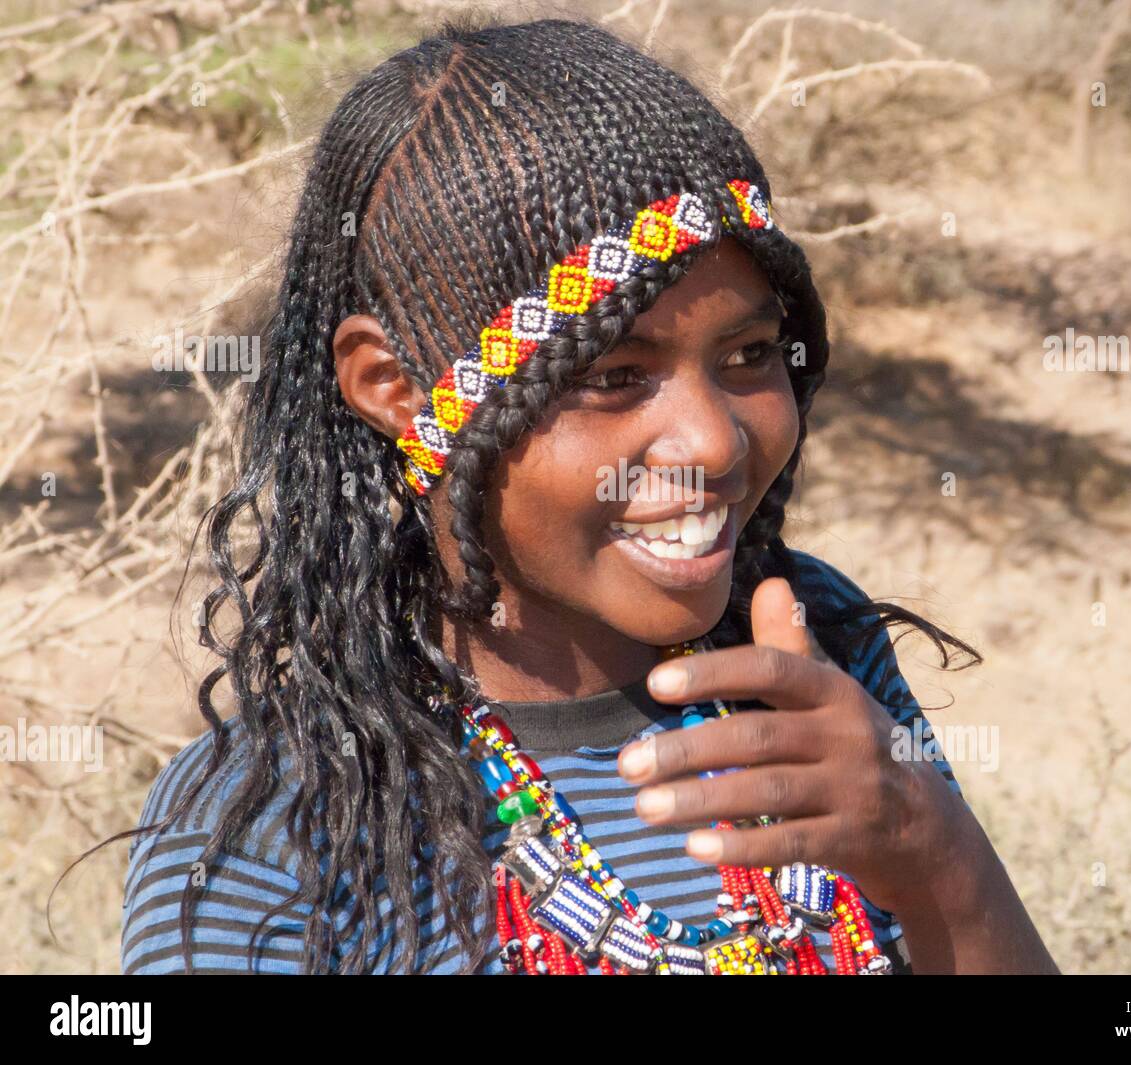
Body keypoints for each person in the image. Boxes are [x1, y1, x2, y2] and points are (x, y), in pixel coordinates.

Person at [117, 15, 1057, 975]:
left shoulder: (820, 653)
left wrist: (932, 851)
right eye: (612, 375)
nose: (714, 438)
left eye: (747, 354)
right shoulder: (272, 827)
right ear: (395, 386)